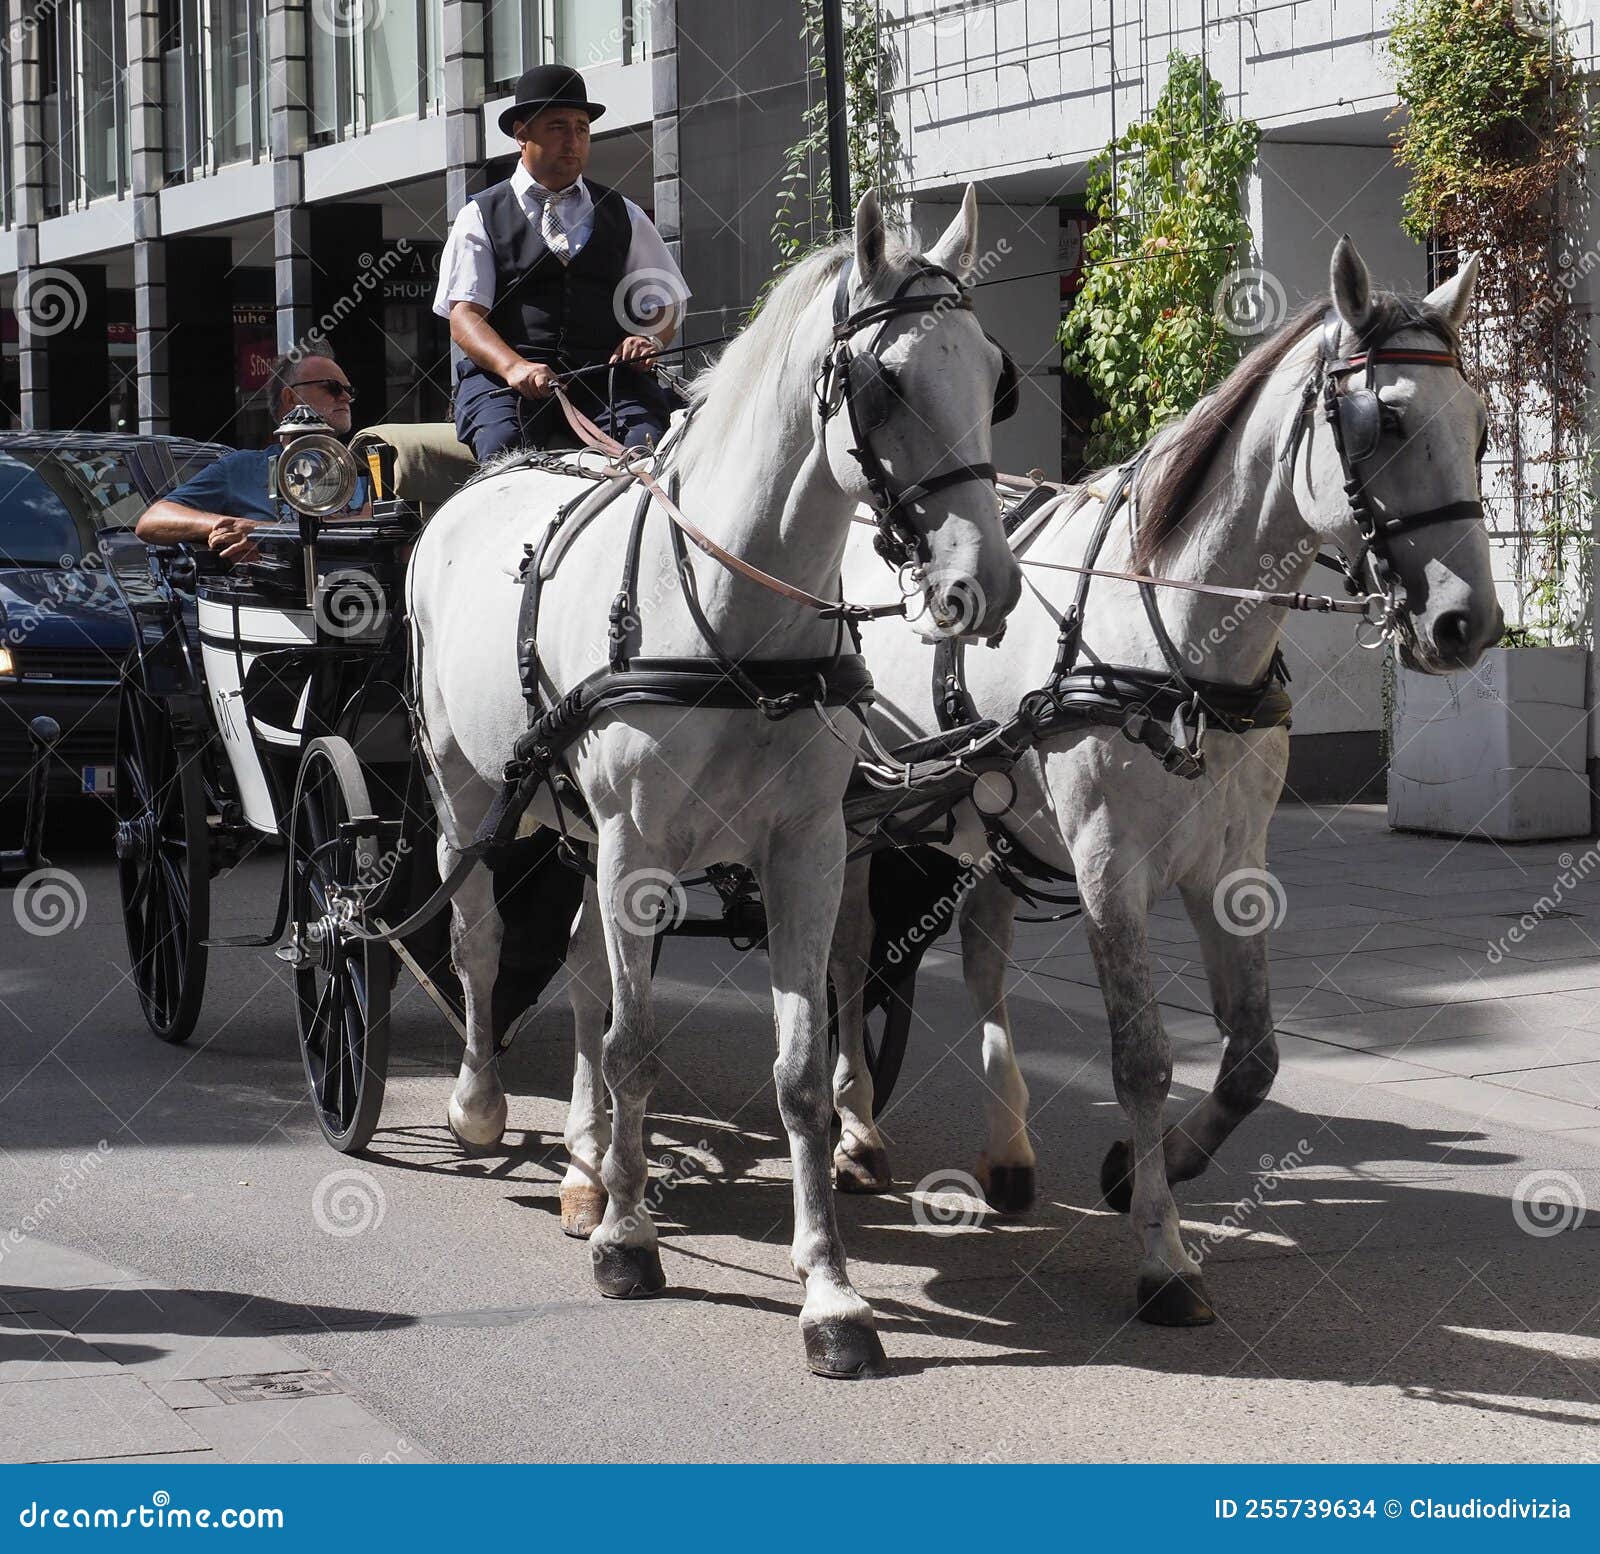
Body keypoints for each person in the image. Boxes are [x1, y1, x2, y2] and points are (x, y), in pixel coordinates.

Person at [434, 63, 691, 462]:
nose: (573, 140)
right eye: (557, 127)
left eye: (581, 128)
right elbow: (465, 316)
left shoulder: (624, 213)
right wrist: (514, 367)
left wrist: (651, 339)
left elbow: (666, 300)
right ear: (522, 133)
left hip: (606, 382)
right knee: (505, 453)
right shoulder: (480, 214)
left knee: (648, 447)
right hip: (503, 386)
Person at [136, 349, 364, 564]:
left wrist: (259, 530)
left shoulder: (370, 466)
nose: (345, 397)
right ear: (291, 397)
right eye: (333, 387)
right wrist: (224, 526)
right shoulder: (241, 468)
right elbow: (153, 520)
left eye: (349, 390)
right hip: (274, 599)